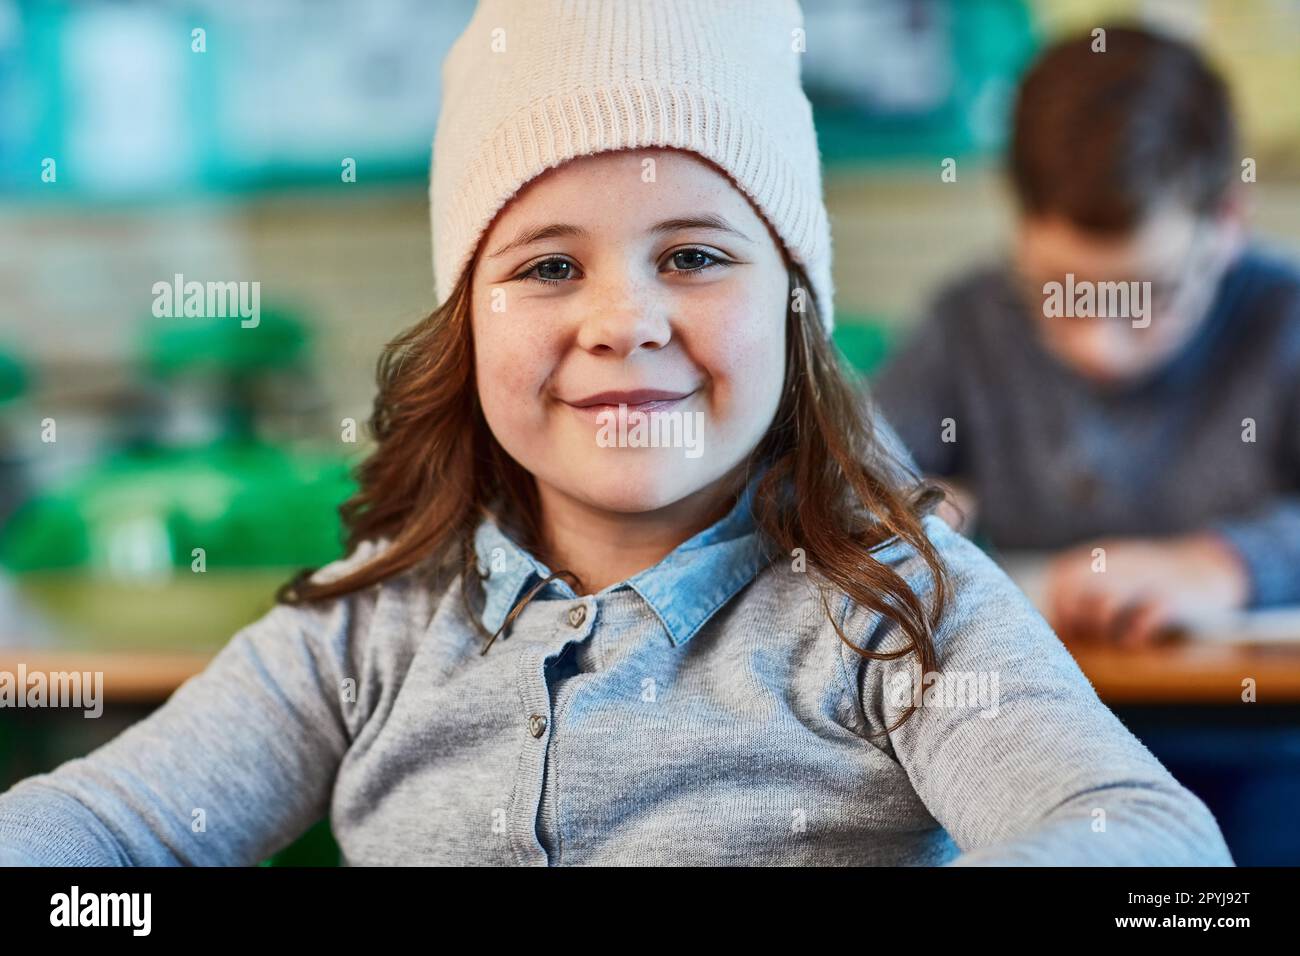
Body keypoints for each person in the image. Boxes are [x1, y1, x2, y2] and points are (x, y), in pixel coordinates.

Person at [0, 1, 1231, 866]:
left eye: (693, 254)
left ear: (794, 306)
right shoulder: (364, 622)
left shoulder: (895, 606)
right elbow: (99, 836)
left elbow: (1149, 838)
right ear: (465, 326)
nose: (623, 320)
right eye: (545, 265)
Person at [872, 25, 1300, 646]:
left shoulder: (1283, 318)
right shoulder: (968, 322)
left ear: (1229, 221)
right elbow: (850, 484)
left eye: (1153, 294)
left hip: (1254, 726)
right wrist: (907, 516)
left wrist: (1224, 566)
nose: (1097, 345)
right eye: (1059, 291)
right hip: (1023, 724)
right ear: (1018, 224)